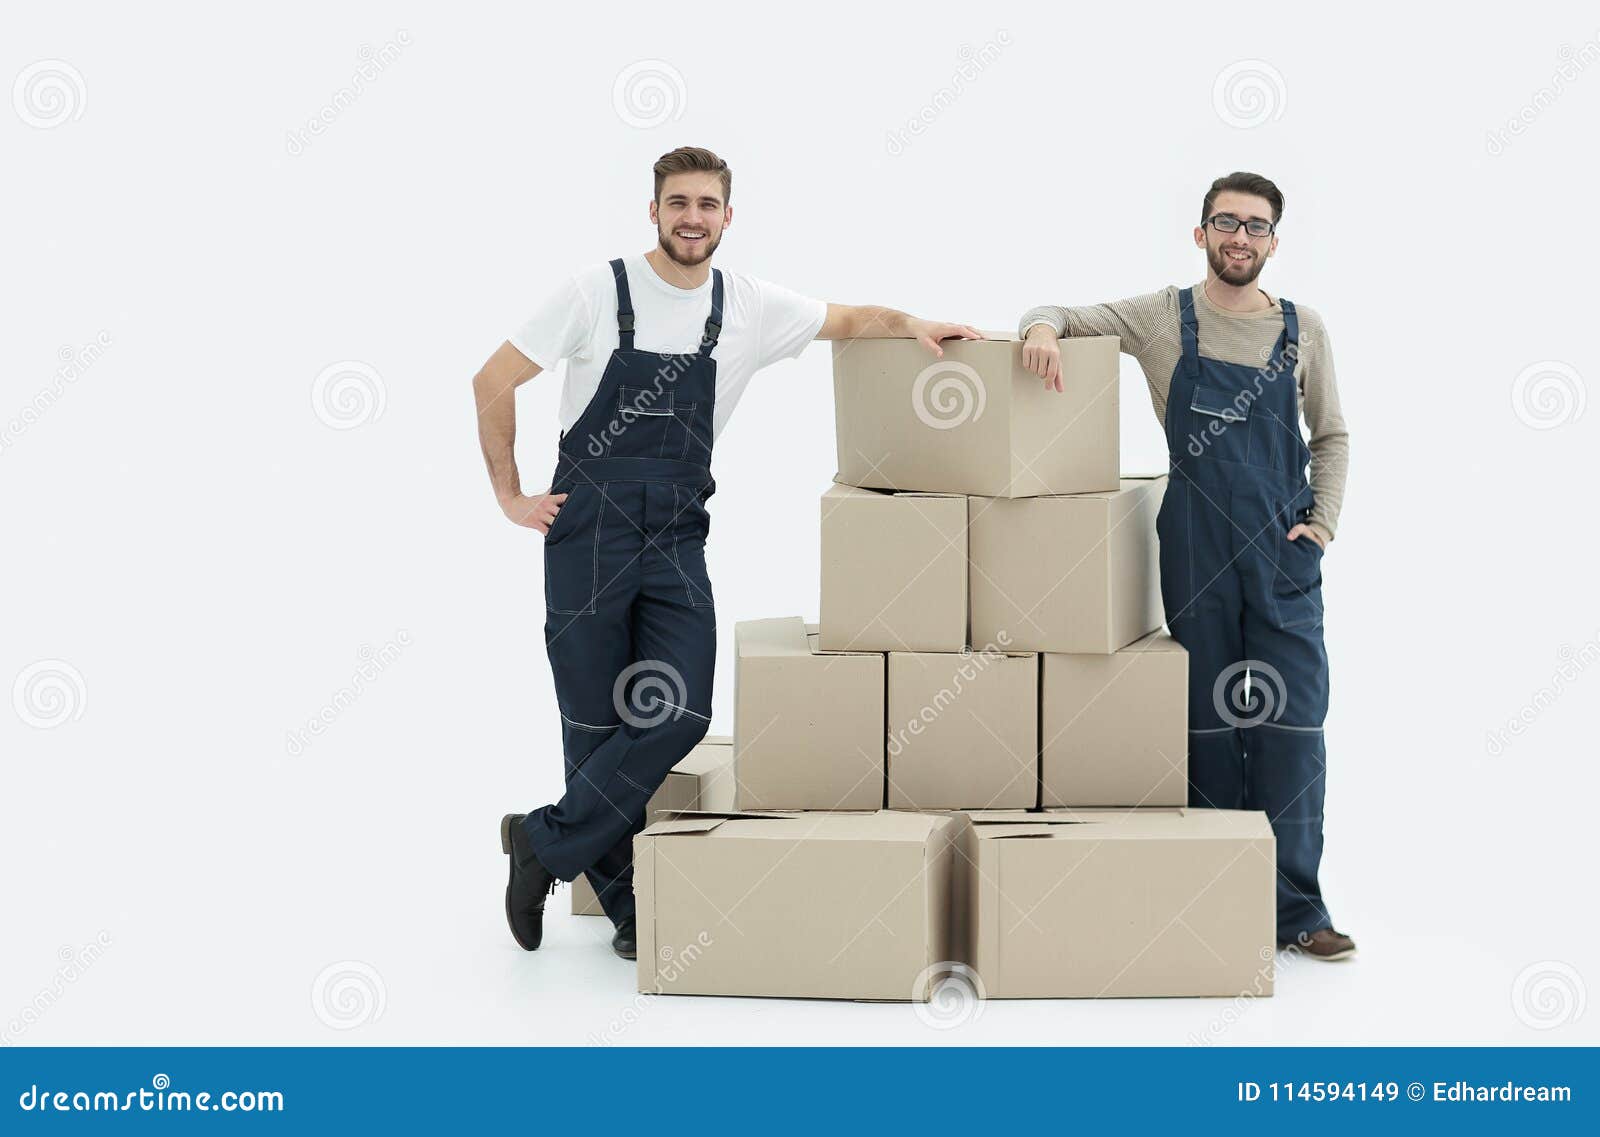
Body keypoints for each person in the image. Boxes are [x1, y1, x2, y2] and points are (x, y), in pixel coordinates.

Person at [474, 145, 979, 960]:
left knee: (680, 711)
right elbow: (492, 379)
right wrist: (510, 495)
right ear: (653, 211)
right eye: (678, 203)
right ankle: (628, 905)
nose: (692, 219)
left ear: (728, 217)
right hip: (588, 530)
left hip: (676, 532)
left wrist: (916, 323)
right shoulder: (596, 291)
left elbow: (849, 321)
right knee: (594, 722)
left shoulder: (747, 303)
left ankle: (542, 841)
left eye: (707, 205)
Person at [1018, 171, 1356, 961]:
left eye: (1257, 226)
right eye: (1227, 222)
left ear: (1274, 241)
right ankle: (1219, 897)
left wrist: (1323, 524)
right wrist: (1038, 330)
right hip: (1198, 548)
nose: (1241, 238)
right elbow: (1062, 314)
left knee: (1292, 727)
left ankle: (1297, 910)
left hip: (1282, 555)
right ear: (1200, 232)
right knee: (1206, 725)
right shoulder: (1165, 319)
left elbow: (1332, 434)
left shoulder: (1305, 329)